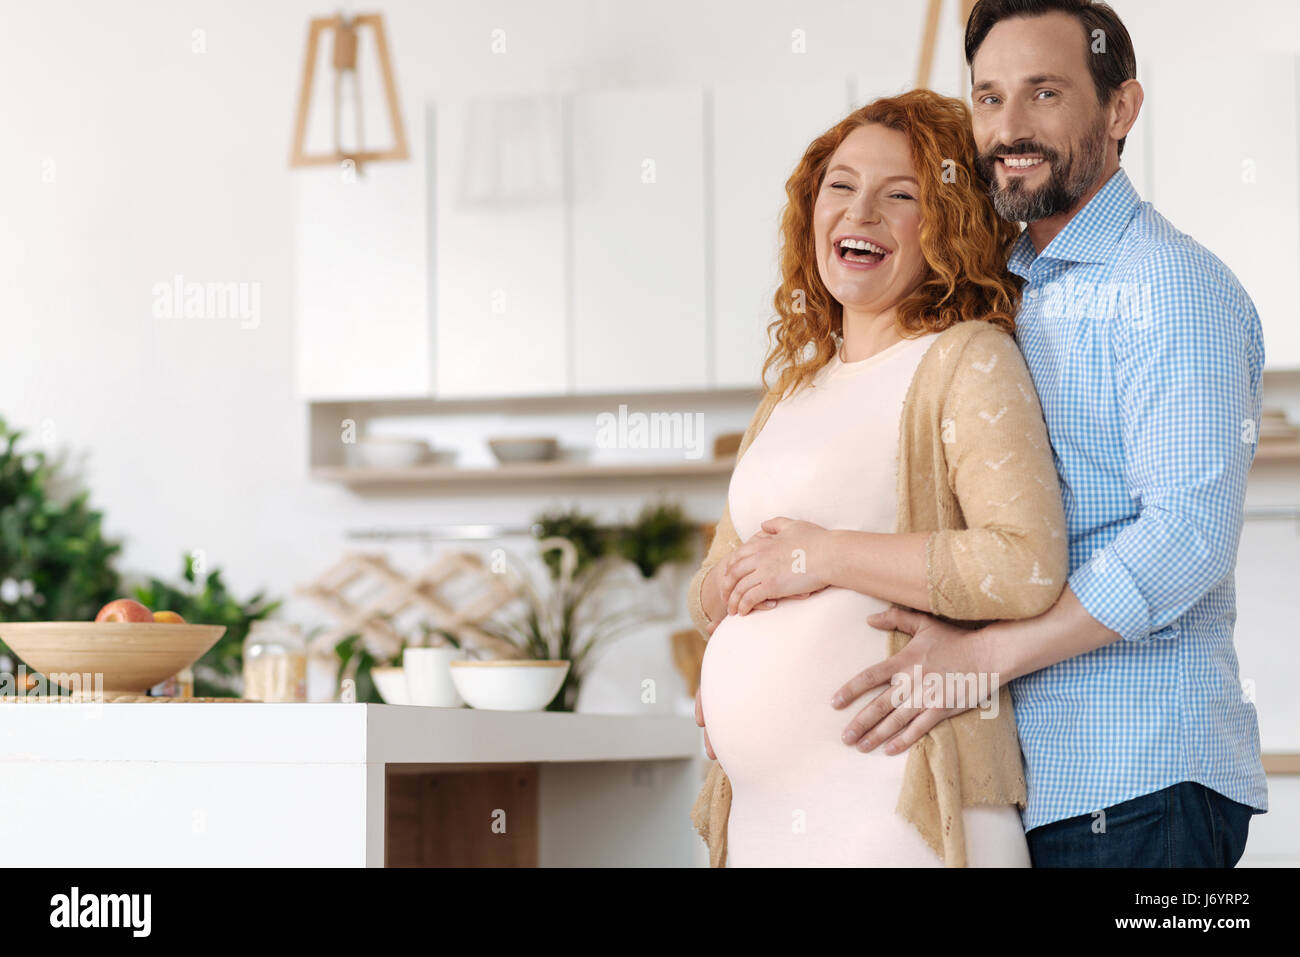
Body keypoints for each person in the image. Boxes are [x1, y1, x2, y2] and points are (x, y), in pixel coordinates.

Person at [828, 0, 1268, 867]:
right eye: (989, 98)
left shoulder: (1167, 287)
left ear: (1120, 109)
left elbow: (1186, 537)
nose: (1009, 128)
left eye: (1044, 93)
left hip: (1142, 782)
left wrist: (986, 655)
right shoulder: (1011, 286)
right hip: (1047, 783)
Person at [687, 88, 1068, 867]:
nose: (860, 213)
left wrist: (823, 556)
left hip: (896, 805)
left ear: (949, 225)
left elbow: (1024, 564)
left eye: (901, 196)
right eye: (841, 185)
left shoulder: (966, 359)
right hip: (765, 816)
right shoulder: (792, 391)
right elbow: (711, 590)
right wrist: (730, 619)